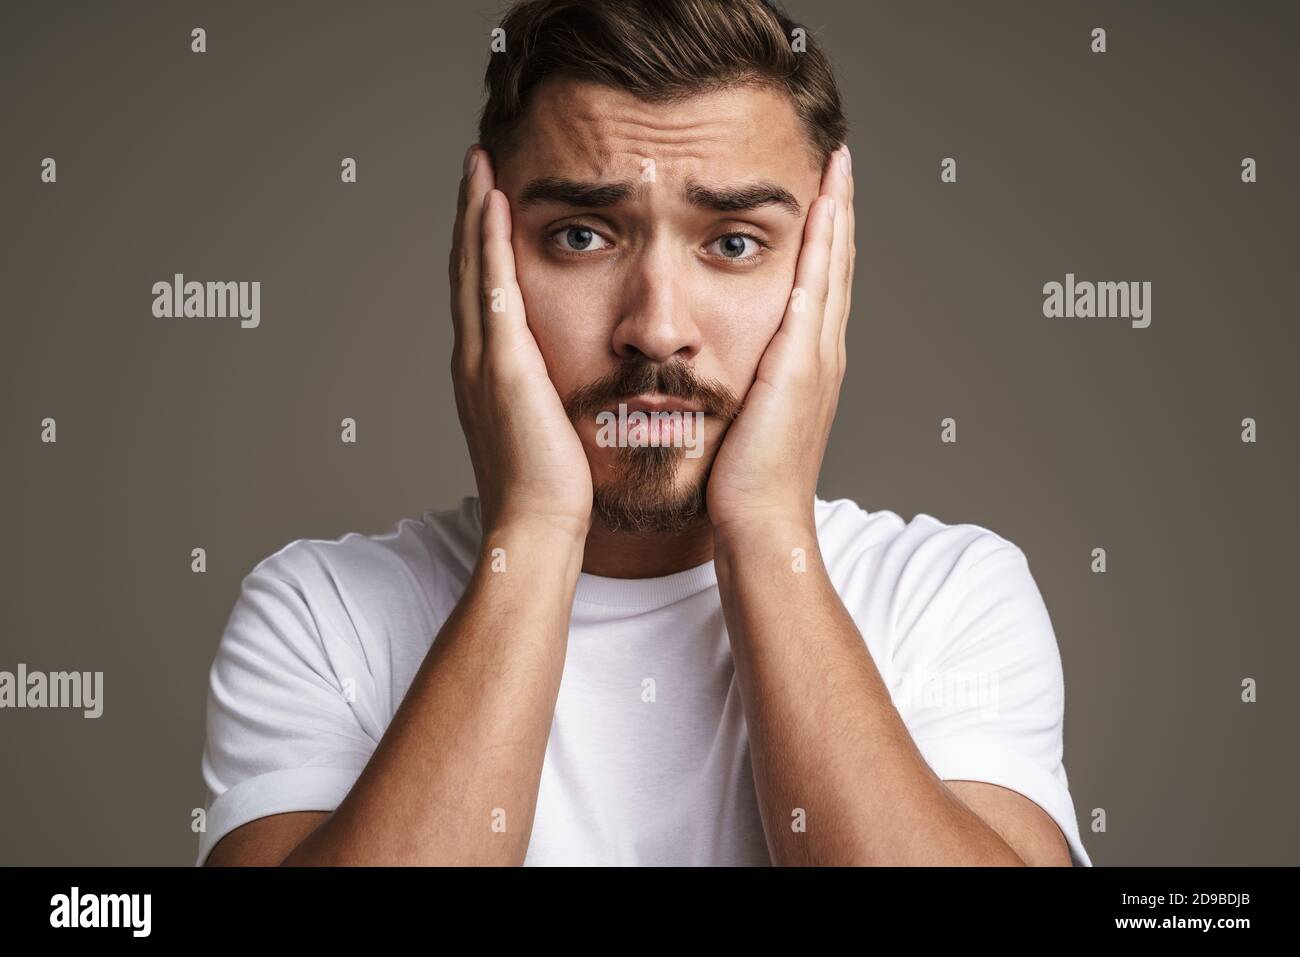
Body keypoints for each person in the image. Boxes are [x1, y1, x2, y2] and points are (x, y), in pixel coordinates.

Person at [197, 0, 1091, 866]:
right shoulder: (325, 614)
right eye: (581, 235)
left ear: (825, 270)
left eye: (734, 242)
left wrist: (769, 530)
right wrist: (537, 531)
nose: (657, 328)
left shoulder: (949, 599)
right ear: (482, 259)